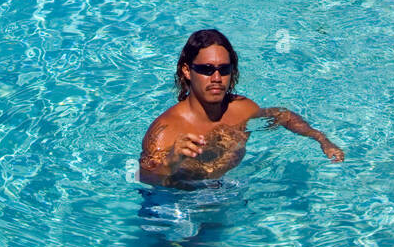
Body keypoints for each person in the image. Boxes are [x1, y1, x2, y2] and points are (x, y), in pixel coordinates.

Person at [139, 28, 344, 186]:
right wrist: (171, 162)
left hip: (226, 191)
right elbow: (144, 178)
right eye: (206, 69)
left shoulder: (241, 110)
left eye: (224, 69)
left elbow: (283, 115)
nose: (217, 78)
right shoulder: (165, 131)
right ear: (187, 70)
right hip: (177, 203)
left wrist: (322, 140)